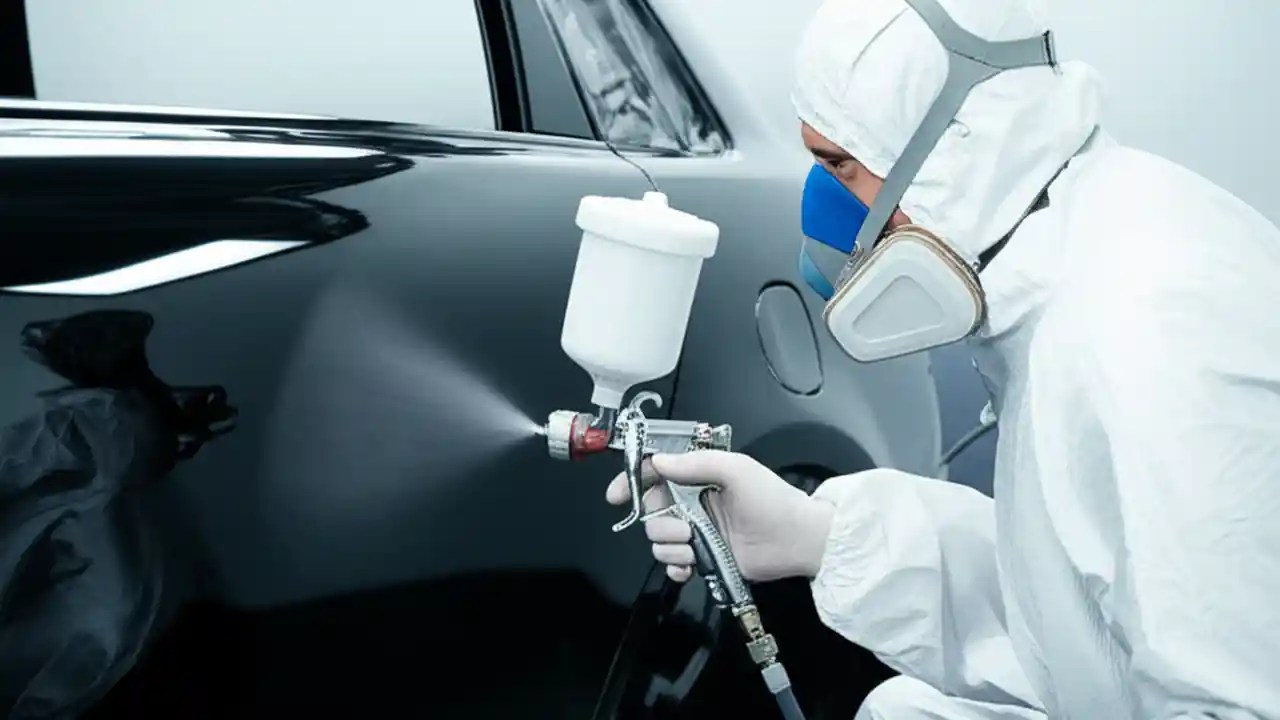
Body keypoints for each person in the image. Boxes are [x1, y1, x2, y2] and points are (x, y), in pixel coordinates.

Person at [606, 0, 1280, 717]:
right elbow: (1076, 622)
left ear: (955, 147)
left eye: (839, 165)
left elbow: (1228, 697)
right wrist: (819, 537)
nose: (826, 211)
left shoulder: (1150, 327)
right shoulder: (1082, 260)